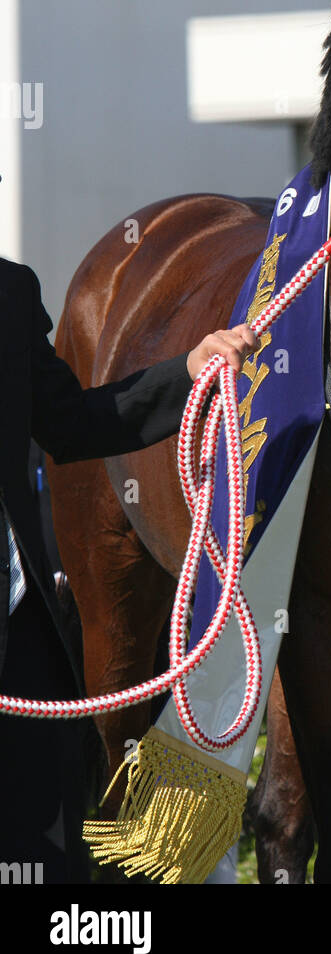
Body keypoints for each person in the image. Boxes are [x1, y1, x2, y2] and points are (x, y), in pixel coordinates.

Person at [0, 252, 258, 882]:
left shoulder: (8, 291)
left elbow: (72, 424)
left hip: (15, 619)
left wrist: (187, 372)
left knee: (37, 841)